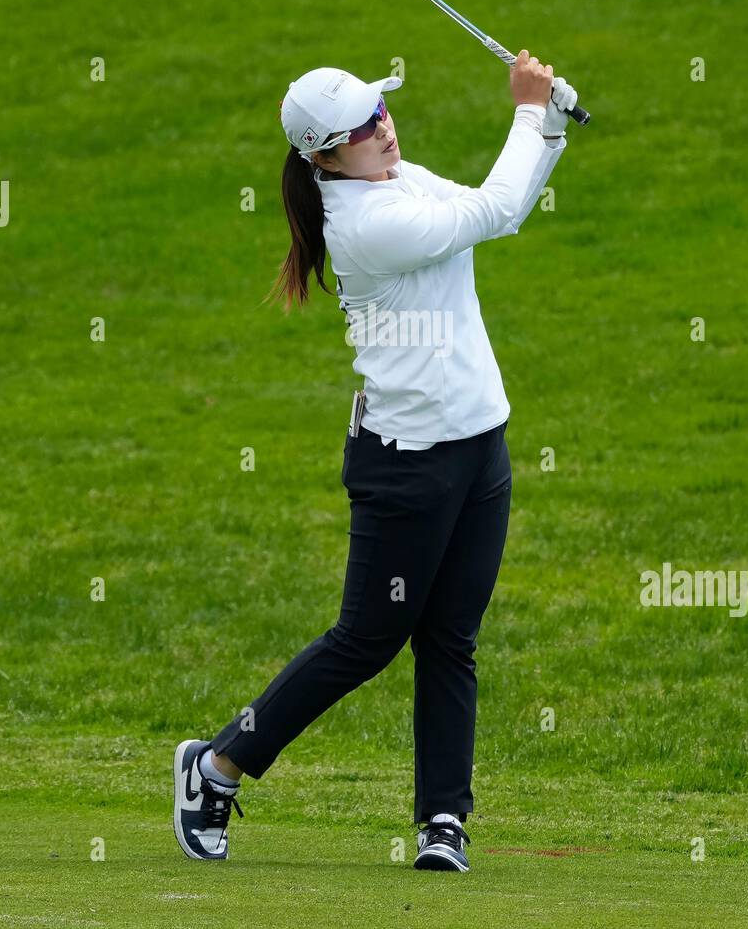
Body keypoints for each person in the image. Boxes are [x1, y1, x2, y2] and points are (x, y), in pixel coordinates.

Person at [173, 50, 578, 871]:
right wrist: (529, 112)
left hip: (478, 447)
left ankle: (442, 822)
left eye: (381, 113)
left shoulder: (398, 181)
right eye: (361, 130)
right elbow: (495, 213)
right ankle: (215, 767)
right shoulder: (365, 224)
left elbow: (487, 204)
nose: (383, 130)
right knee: (367, 640)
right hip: (406, 465)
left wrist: (551, 126)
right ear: (323, 157)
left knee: (452, 638)